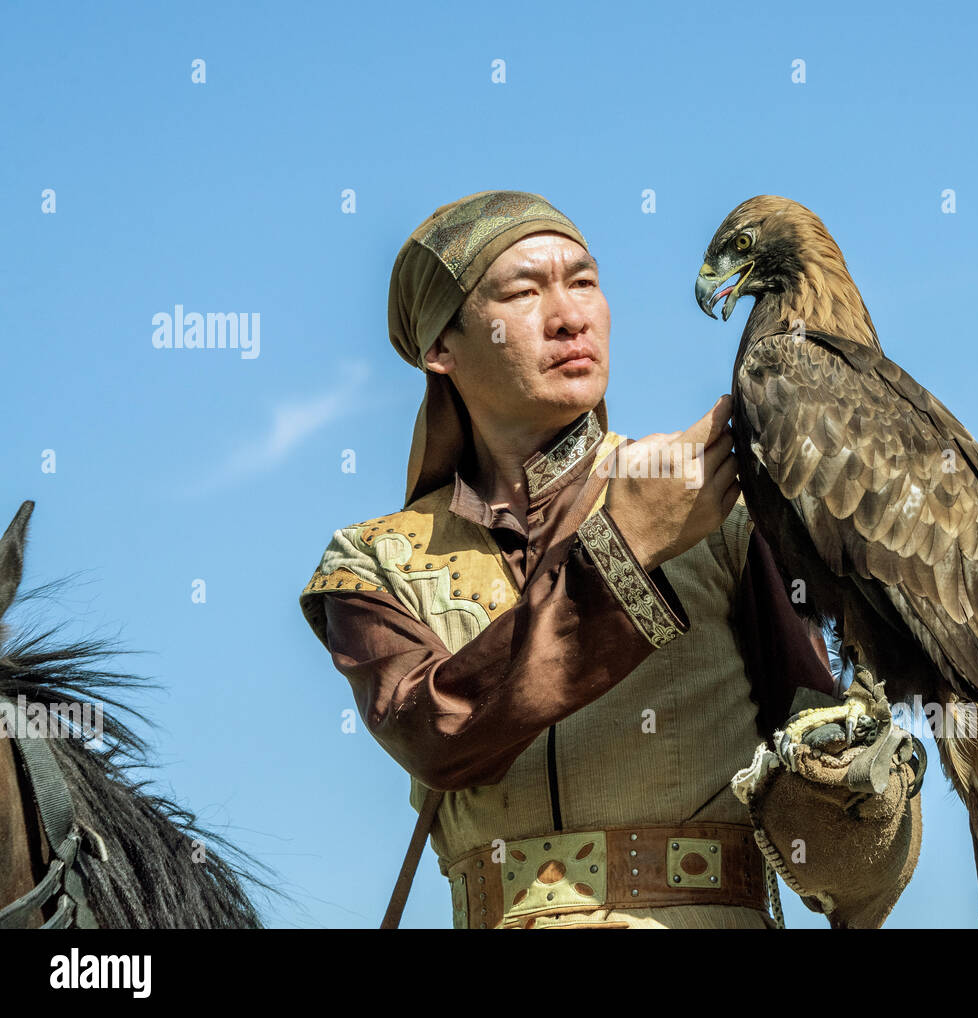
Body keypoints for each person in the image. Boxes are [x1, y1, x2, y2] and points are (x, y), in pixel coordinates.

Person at [299, 191, 916, 929]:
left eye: (584, 281)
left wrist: (860, 801)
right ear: (441, 348)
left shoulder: (725, 503)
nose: (570, 315)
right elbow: (434, 732)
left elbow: (829, 775)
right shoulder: (373, 562)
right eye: (525, 291)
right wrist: (623, 551)